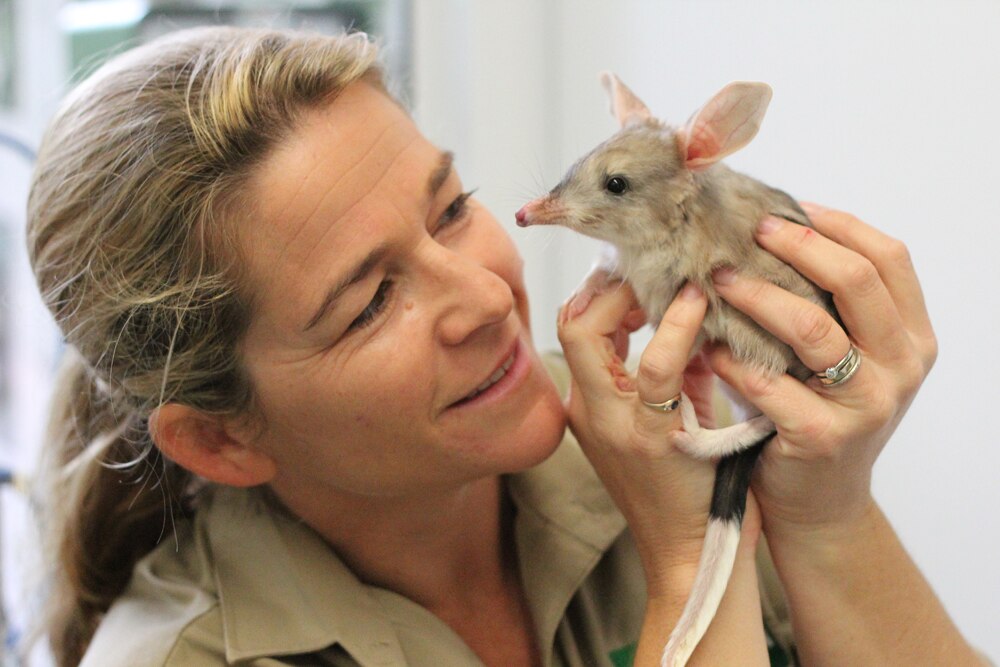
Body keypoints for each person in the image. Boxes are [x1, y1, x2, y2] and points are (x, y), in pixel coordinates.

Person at [25, 26, 985, 667]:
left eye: (448, 209)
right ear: (221, 441)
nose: (489, 294)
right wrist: (695, 561)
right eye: (368, 304)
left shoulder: (635, 437)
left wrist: (825, 511)